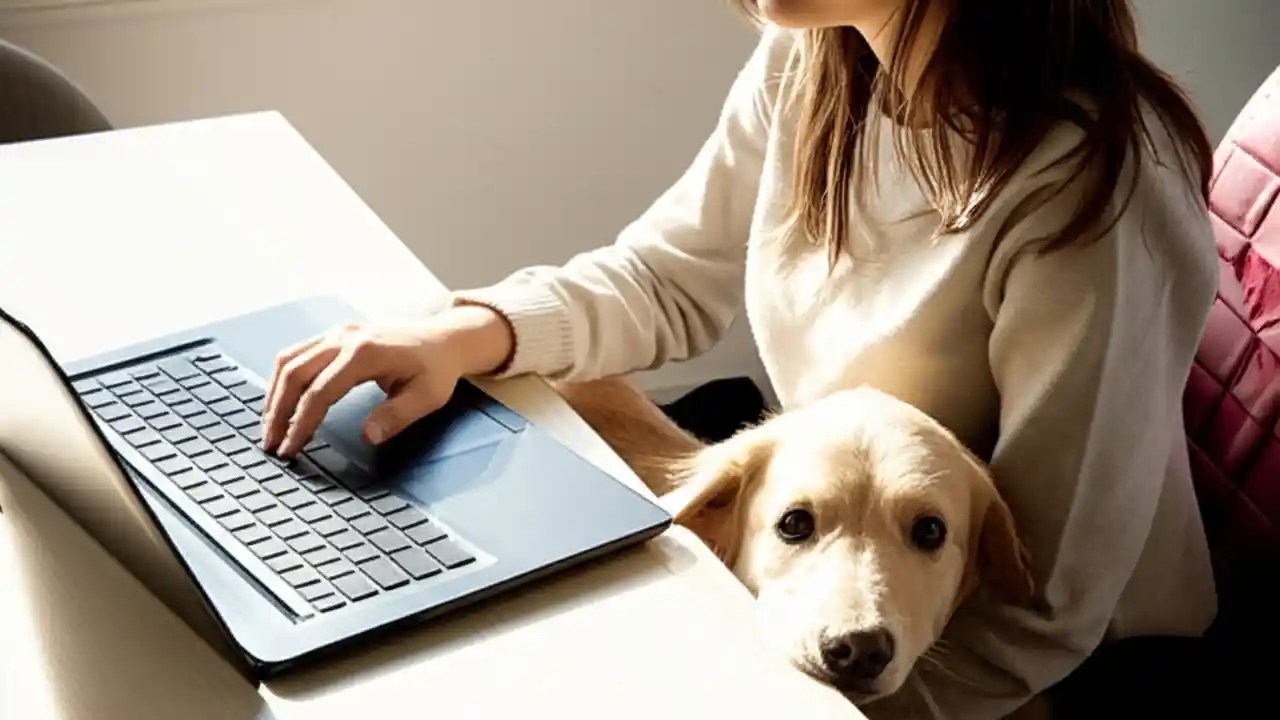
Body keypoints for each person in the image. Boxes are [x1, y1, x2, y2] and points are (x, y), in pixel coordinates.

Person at [260, 1, 1220, 717]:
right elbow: (667, 277)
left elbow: (1047, 607)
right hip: (836, 582)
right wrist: (465, 332)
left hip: (1054, 669)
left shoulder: (1097, 193)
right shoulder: (817, 57)